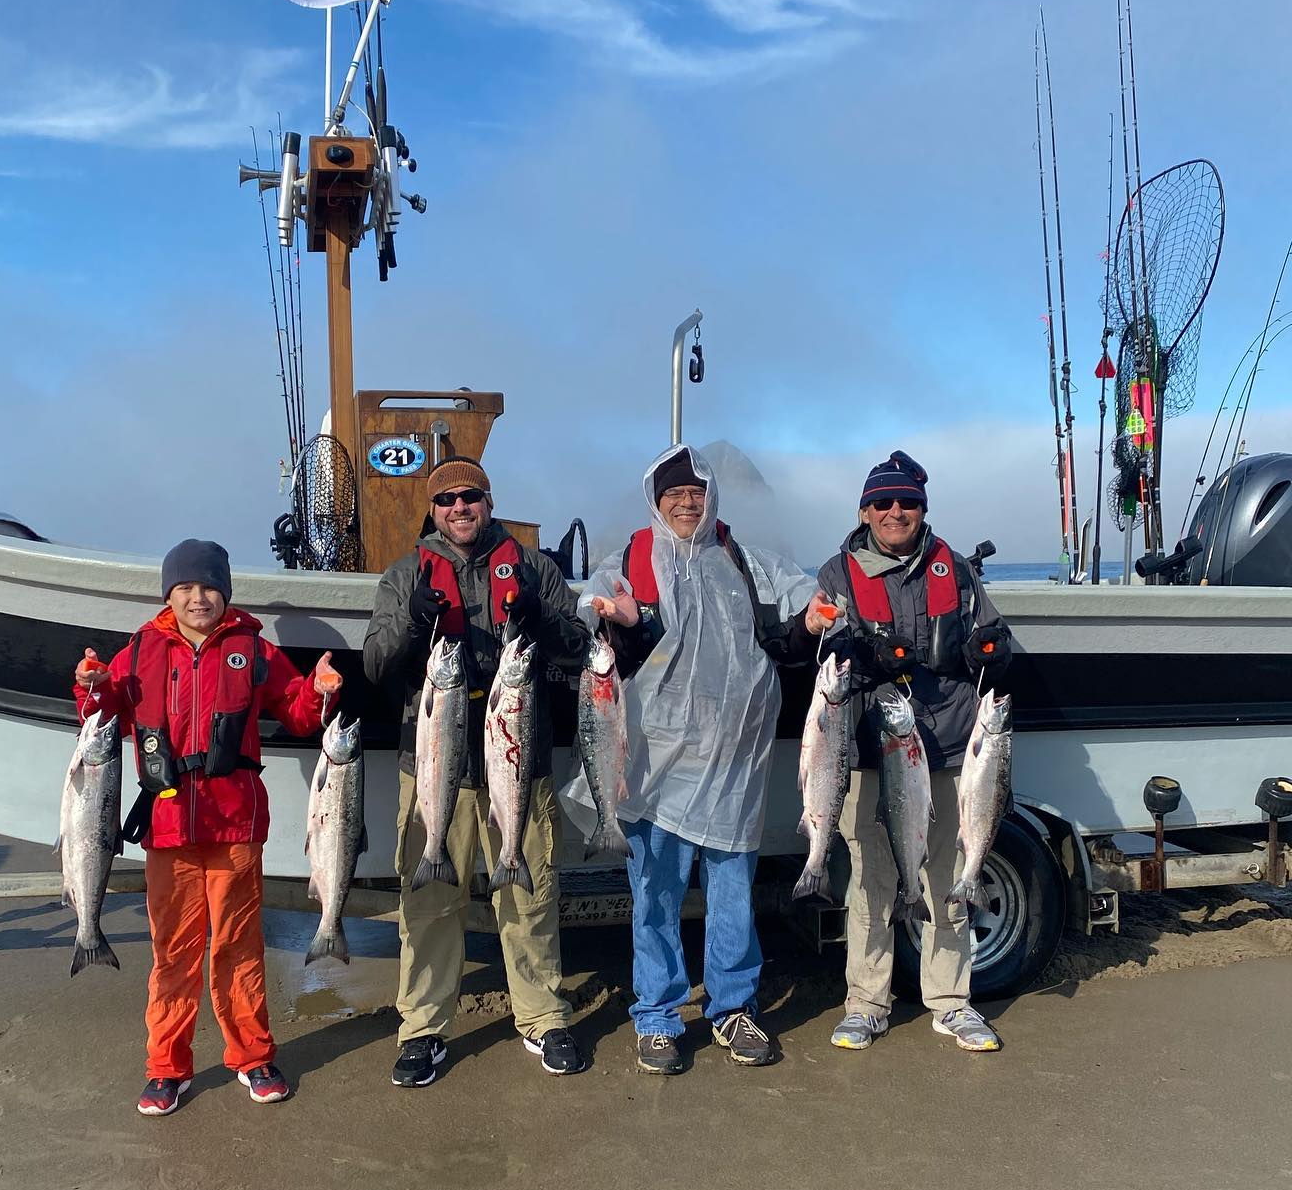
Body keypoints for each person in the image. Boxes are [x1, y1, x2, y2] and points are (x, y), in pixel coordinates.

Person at [74, 538, 340, 1116]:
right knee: (174, 951)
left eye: (210, 586)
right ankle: (167, 1067)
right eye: (187, 587)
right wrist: (90, 684)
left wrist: (318, 692)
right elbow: (103, 715)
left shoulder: (255, 649)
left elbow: (295, 711)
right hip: (168, 826)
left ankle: (253, 1055)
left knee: (239, 946)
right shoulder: (141, 649)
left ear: (226, 593)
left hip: (236, 824)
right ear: (168, 594)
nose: (200, 597)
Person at [580, 444, 819, 1075]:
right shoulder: (632, 560)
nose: (687, 504)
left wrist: (820, 615)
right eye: (674, 496)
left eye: (697, 494)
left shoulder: (743, 560)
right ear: (656, 503)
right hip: (653, 767)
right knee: (655, 895)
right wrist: (618, 618)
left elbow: (800, 605)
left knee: (732, 895)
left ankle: (733, 1007)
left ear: (711, 498)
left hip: (734, 762)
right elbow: (592, 616)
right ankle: (657, 1016)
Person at [363, 456, 592, 1087]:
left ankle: (542, 1014)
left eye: (471, 497)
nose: (459, 508)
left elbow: (579, 645)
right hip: (437, 767)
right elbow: (377, 667)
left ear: (489, 502)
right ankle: (424, 1029)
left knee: (529, 893)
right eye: (446, 500)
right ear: (432, 511)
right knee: (430, 901)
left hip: (519, 762)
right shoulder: (404, 574)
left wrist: (540, 617)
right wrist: (412, 615)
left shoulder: (535, 567)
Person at [812, 450, 1012, 1053]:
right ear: (865, 511)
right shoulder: (837, 572)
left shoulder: (955, 569)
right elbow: (819, 644)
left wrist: (990, 650)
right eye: (883, 502)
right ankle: (867, 1003)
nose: (896, 511)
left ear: (923, 508)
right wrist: (851, 645)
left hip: (951, 750)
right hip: (875, 752)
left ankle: (951, 1002)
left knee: (950, 877)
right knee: (871, 884)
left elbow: (995, 636)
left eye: (908, 502)